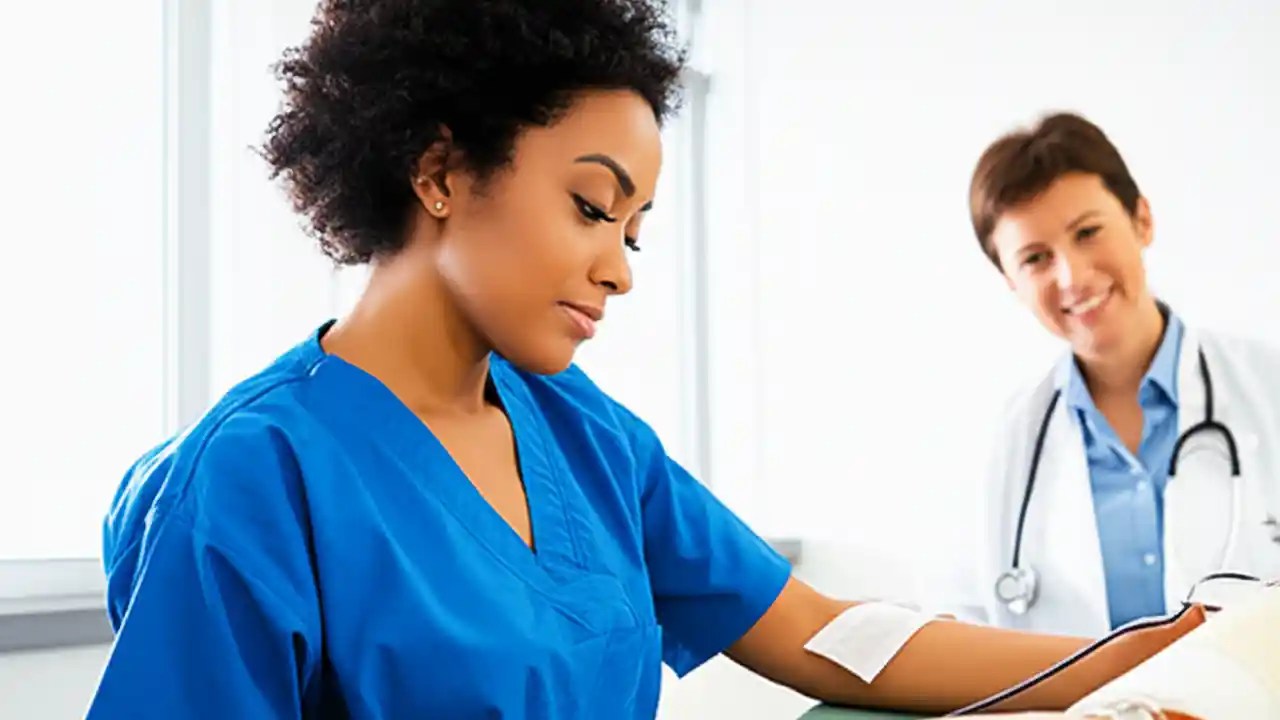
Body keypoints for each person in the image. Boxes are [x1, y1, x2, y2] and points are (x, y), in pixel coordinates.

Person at [85, 5, 1199, 718]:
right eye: (590, 208)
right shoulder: (259, 477)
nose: (619, 270)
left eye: (633, 229)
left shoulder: (582, 434)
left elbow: (818, 634)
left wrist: (1144, 658)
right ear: (436, 171)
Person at [941, 111, 1280, 638]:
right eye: (1035, 258)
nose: (1072, 277)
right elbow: (965, 626)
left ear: (1142, 220)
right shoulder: (1001, 441)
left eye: (1088, 232)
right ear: (1009, 280)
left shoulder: (1268, 385)